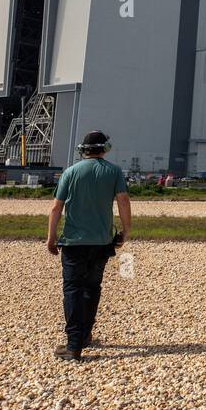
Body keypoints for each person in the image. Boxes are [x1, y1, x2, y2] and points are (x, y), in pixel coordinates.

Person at [46, 130, 131, 361]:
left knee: (72, 289)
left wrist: (51, 238)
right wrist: (126, 231)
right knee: (92, 288)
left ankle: (73, 345)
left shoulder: (71, 172)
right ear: (104, 149)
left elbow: (56, 208)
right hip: (101, 241)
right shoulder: (114, 172)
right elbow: (123, 201)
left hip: (74, 242)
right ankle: (84, 335)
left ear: (83, 150)